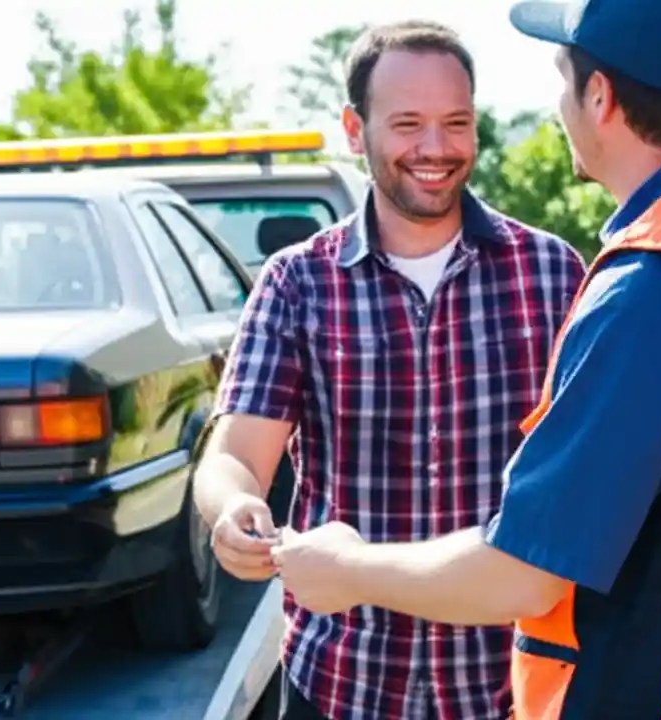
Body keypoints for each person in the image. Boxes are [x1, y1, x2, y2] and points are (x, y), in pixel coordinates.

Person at [269, 1, 661, 718]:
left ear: (599, 96)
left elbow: (524, 574)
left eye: (561, 78)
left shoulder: (652, 285)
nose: (556, 103)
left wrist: (346, 570)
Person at [194, 19, 586, 720]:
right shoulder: (297, 282)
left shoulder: (552, 274)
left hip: (510, 686)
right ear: (355, 128)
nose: (434, 149)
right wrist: (231, 510)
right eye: (407, 124)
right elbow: (233, 457)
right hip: (344, 679)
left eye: (455, 123)